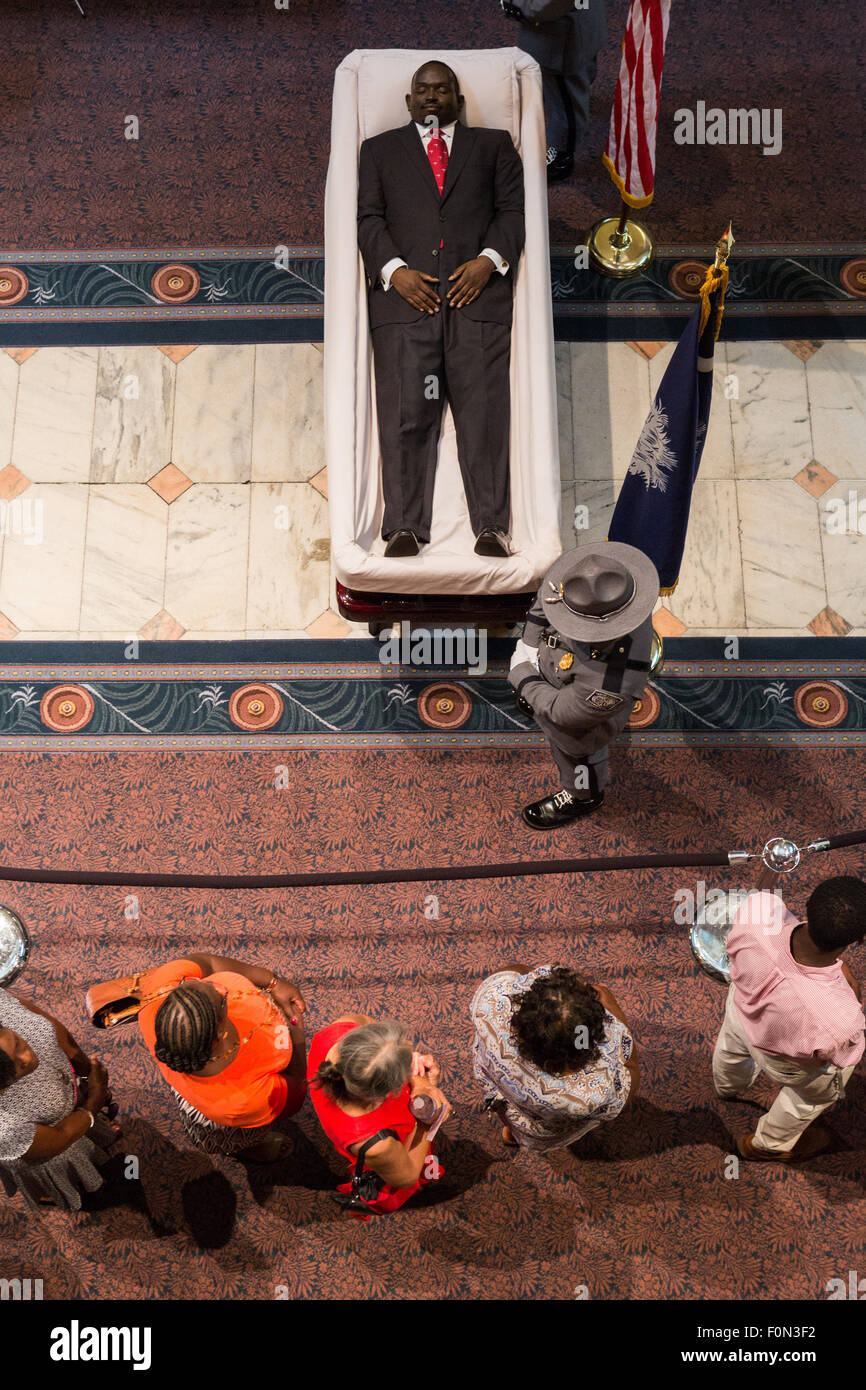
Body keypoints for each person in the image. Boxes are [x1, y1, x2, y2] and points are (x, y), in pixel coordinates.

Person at [357, 60, 525, 559]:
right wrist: (394, 272)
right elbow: (368, 218)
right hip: (406, 306)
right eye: (422, 91)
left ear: (458, 99)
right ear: (409, 102)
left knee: (484, 414)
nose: (431, 97)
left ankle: (492, 527)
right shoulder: (379, 151)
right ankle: (404, 526)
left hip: (476, 302)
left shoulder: (493, 146)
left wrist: (488, 263)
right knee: (406, 413)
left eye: (442, 89)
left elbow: (512, 212)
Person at [713, 876, 866, 1163]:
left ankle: (727, 1086)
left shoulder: (756, 914)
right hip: (787, 1064)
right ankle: (766, 1145)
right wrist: (852, 994)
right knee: (810, 1098)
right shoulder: (843, 1020)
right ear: (859, 939)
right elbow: (841, 1056)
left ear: (807, 903)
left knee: (730, 1052)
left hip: (741, 1012)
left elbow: (760, 894)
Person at [509, 541, 659, 828]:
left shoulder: (610, 682)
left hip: (580, 719)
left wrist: (523, 675)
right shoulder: (599, 581)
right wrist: (529, 645)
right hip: (557, 669)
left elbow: (566, 713)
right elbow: (547, 599)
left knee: (577, 751)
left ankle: (583, 795)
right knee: (542, 702)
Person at [135, 953, 307, 1162]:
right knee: (233, 1135)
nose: (217, 984)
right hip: (222, 1116)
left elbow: (209, 963)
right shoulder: (241, 1101)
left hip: (191, 1079)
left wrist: (273, 982)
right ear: (219, 1035)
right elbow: (295, 1095)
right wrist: (297, 1035)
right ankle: (245, 1149)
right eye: (222, 998)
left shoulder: (160, 991)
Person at [471, 963, 637, 1151]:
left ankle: (511, 1132)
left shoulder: (491, 1004)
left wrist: (542, 995)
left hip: (502, 1092)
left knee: (513, 1119)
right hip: (541, 1125)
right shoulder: (590, 1095)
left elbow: (513, 970)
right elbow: (630, 1076)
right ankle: (515, 1135)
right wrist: (606, 1001)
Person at [308, 1014, 449, 1217]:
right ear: (385, 1093)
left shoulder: (339, 1030)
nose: (409, 1046)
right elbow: (406, 1176)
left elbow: (376, 1033)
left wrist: (420, 1083)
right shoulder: (376, 1144)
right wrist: (427, 1122)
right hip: (387, 1143)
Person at [0, 987, 119, 1210]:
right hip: (50, 1147)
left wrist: (82, 1067)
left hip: (71, 1101)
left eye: (17, 1042)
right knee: (75, 1176)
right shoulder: (4, 1128)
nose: (28, 1056)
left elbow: (38, 1019)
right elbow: (60, 1136)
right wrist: (94, 1100)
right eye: (19, 1066)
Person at [503, 0, 607, 182]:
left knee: (565, 105)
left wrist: (515, 5)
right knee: (582, 71)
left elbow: (546, 6)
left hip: (560, 39)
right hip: (583, 21)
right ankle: (581, 90)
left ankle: (560, 157)